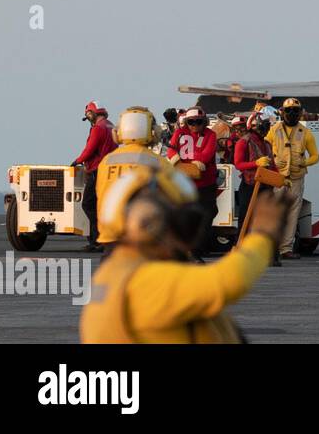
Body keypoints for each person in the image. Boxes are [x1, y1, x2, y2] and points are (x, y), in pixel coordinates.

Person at [81, 165, 292, 343]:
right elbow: (229, 281)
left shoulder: (114, 272)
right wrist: (263, 236)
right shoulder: (146, 281)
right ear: (149, 224)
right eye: (184, 225)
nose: (188, 239)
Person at [94, 107, 177, 246]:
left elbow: (100, 192)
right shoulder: (158, 162)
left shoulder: (106, 161)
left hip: (110, 237)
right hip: (143, 238)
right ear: (152, 132)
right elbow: (177, 197)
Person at [262, 98, 319, 260]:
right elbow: (264, 147)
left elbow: (316, 156)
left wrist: (304, 162)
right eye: (288, 110)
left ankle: (285, 248)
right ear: (282, 112)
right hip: (277, 177)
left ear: (300, 113)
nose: (292, 113)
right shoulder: (274, 130)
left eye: (295, 110)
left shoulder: (305, 133)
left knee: (292, 213)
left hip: (296, 177)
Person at [167, 106, 220, 258]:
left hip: (205, 183)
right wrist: (177, 160)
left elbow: (208, 153)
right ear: (186, 122)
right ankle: (188, 249)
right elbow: (171, 150)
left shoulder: (211, 134)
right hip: (185, 183)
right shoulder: (178, 133)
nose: (195, 125)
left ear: (204, 122)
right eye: (192, 122)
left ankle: (196, 248)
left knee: (208, 213)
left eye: (198, 121)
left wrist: (198, 162)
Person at [73, 101, 117, 252]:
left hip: (97, 170)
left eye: (88, 114)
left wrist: (77, 161)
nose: (88, 118)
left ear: (93, 113)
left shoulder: (98, 128)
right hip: (109, 170)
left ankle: (98, 239)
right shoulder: (111, 126)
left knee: (88, 204)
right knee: (100, 205)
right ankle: (98, 240)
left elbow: (89, 149)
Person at [233, 113, 275, 238]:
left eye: (268, 127)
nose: (267, 130)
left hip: (266, 186)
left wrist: (282, 178)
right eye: (265, 126)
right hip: (249, 185)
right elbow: (238, 164)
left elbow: (272, 165)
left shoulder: (267, 144)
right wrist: (255, 163)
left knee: (269, 219)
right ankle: (240, 245)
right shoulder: (243, 142)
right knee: (246, 218)